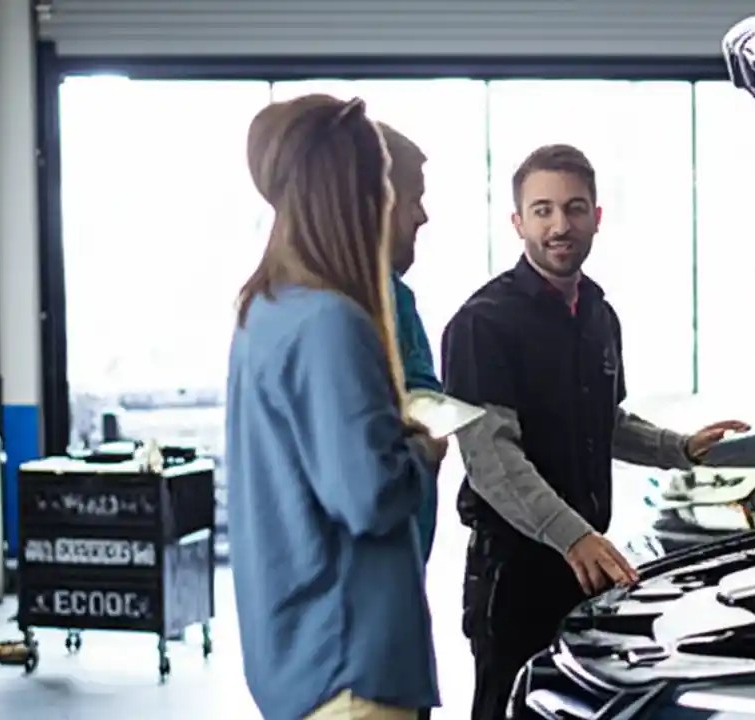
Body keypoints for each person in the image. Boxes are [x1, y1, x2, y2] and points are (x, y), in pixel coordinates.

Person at [440, 143, 749, 719]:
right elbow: (491, 460)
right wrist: (573, 536)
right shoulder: (482, 323)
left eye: (575, 208)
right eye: (543, 210)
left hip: (584, 568)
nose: (560, 225)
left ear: (597, 217)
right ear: (517, 222)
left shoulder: (599, 314)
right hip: (516, 571)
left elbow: (602, 421)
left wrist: (678, 448)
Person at [225, 93, 445, 720]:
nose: (399, 206)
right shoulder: (331, 323)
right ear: (350, 192)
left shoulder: (264, 311)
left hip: (298, 658)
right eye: (381, 181)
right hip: (352, 666)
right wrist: (421, 449)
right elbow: (369, 496)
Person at [376, 122, 440, 720]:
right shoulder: (339, 315)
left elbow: (421, 389)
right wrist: (427, 446)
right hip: (364, 624)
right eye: (415, 197)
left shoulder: (399, 298)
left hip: (402, 578)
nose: (423, 216)